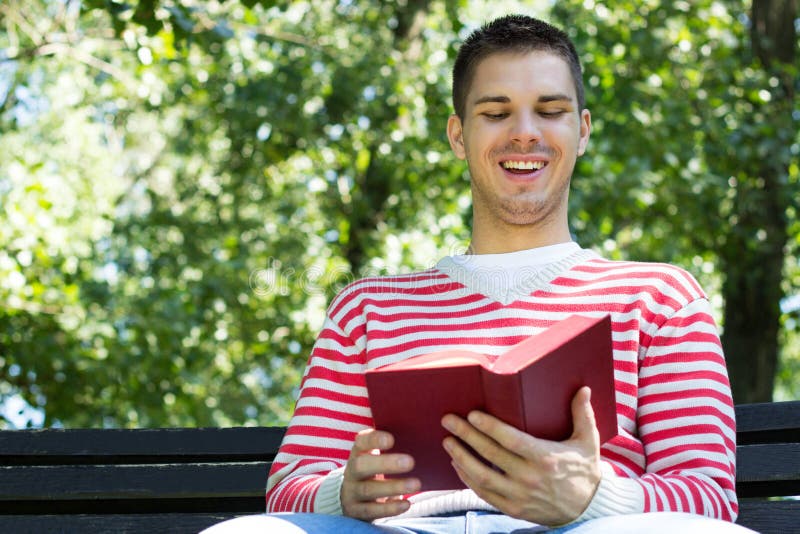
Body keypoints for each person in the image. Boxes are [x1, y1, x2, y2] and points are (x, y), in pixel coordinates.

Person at [204, 14, 754, 533]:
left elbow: (707, 496)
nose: (525, 133)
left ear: (582, 130)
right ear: (458, 135)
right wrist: (341, 492)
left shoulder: (660, 298)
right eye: (495, 113)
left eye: (550, 110)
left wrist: (592, 496)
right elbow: (289, 489)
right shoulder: (366, 309)